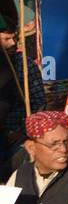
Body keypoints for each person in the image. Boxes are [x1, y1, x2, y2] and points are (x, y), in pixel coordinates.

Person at [0, 23, 45, 163]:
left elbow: (39, 104)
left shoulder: (26, 64)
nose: (13, 43)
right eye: (7, 39)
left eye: (14, 38)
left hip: (18, 138)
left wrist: (23, 131)